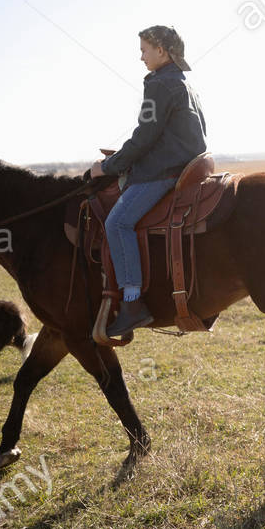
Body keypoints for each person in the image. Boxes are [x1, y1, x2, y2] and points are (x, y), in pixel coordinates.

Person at [87, 25, 207, 337]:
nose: (140, 57)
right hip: (183, 167)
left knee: (117, 223)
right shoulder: (182, 83)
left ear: (162, 52)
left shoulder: (161, 84)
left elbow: (144, 137)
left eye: (144, 50)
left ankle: (131, 303)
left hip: (164, 172)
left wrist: (108, 166)